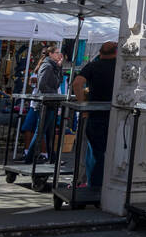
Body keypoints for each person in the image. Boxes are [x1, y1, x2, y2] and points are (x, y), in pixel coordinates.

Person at [71, 41, 118, 188]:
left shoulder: (93, 66)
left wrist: (82, 105)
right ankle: (101, 185)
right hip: (117, 114)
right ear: (116, 52)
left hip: (95, 113)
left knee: (95, 152)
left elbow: (77, 83)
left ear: (100, 53)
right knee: (112, 152)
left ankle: (93, 185)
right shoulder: (121, 67)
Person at [23, 48, 64, 164]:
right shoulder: (47, 66)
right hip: (46, 103)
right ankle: (29, 157)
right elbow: (42, 85)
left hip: (51, 102)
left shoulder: (53, 66)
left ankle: (52, 158)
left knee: (49, 132)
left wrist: (60, 67)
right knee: (40, 131)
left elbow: (59, 81)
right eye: (56, 53)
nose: (59, 55)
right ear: (50, 54)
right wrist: (52, 94)